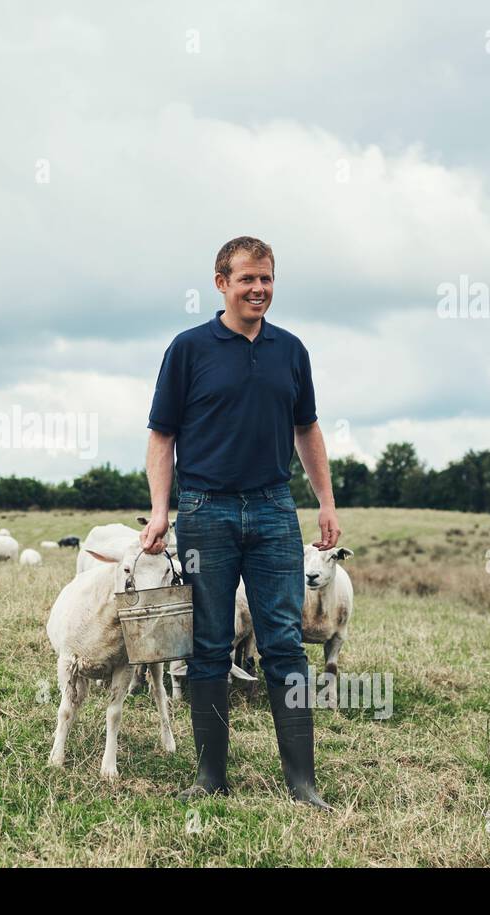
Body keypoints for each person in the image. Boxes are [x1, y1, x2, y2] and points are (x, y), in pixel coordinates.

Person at [139, 236, 339, 809]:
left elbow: (308, 429)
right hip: (206, 510)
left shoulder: (291, 350)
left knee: (283, 642)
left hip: (276, 509)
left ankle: (303, 785)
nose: (259, 289)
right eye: (248, 279)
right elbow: (162, 436)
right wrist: (160, 510)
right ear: (221, 282)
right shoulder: (189, 349)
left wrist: (324, 501)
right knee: (208, 643)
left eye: (268, 279)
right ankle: (209, 777)